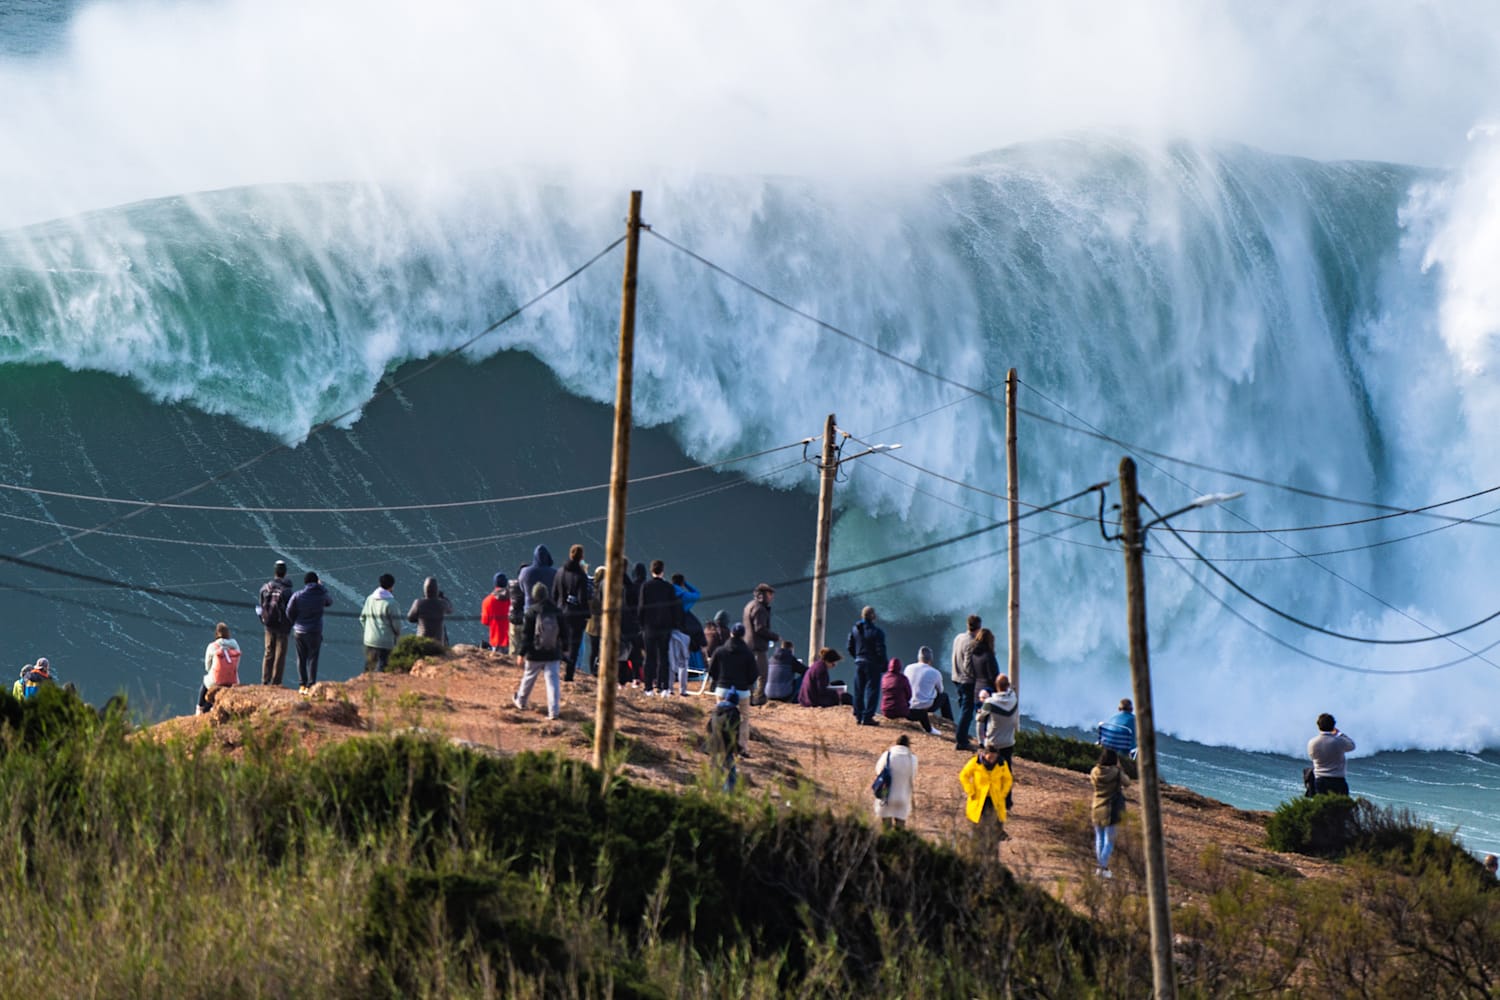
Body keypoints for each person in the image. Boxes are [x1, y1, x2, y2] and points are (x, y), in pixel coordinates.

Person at [707, 622, 758, 755]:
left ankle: (719, 745)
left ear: (731, 634)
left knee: (720, 716)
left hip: (722, 689)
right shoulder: (748, 653)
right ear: (743, 636)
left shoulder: (720, 650)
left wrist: (719, 680)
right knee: (744, 719)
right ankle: (742, 747)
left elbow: (711, 670)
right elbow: (754, 674)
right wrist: (746, 683)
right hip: (742, 690)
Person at [515, 583, 563, 720]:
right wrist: (564, 649)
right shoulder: (556, 611)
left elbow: (527, 636)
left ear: (535, 596)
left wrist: (521, 653)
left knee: (529, 677)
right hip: (553, 652)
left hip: (534, 653)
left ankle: (521, 701)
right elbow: (564, 632)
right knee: (552, 682)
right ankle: (554, 712)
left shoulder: (531, 612)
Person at [959, 744, 1013, 862]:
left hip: (995, 799)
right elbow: (964, 775)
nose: (992, 759)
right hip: (979, 799)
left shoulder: (1001, 764)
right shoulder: (975, 762)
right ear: (984, 754)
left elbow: (1008, 779)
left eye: (994, 757)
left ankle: (992, 855)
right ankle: (975, 853)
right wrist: (970, 790)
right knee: (978, 827)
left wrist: (1003, 793)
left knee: (995, 827)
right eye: (990, 757)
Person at [638, 559, 683, 696]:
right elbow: (674, 608)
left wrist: (641, 625)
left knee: (649, 657)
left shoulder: (645, 586)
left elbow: (641, 608)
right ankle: (664, 688)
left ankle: (648, 687)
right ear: (663, 571)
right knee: (664, 657)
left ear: (652, 571)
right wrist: (675, 624)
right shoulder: (669, 587)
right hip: (665, 628)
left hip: (649, 627)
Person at [976, 674, 1020, 809]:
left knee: (988, 773)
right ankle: (1007, 802)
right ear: (1007, 686)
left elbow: (980, 719)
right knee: (1007, 773)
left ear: (996, 686)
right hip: (1008, 742)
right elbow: (1011, 691)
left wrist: (981, 709)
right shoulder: (1013, 699)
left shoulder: (990, 703)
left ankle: (988, 803)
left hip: (993, 743)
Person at [552, 544, 593, 682]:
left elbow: (554, 594)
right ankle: (569, 675)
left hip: (560, 612)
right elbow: (582, 599)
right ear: (581, 557)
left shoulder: (559, 572)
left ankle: (554, 670)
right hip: (575, 616)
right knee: (574, 646)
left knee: (559, 642)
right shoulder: (581, 575)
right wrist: (587, 614)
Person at [286, 571, 332, 694]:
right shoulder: (321, 595)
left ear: (305, 582)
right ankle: (311, 685)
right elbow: (329, 602)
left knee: (301, 658)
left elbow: (288, 612)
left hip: (299, 631)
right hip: (315, 631)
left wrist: (295, 622)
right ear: (316, 582)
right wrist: (322, 587)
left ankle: (302, 685)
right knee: (312, 658)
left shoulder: (297, 595)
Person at [1089, 748, 1130, 878]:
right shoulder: (1116, 773)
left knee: (1099, 838)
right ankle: (1103, 867)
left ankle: (1100, 868)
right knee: (1110, 840)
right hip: (1111, 809)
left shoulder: (1094, 771)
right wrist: (1120, 769)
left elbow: (1092, 782)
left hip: (1096, 807)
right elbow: (1127, 783)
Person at [847, 605, 888, 726]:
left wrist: (857, 657)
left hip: (859, 662)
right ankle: (868, 717)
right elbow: (881, 650)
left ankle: (859, 716)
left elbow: (849, 646)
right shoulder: (877, 632)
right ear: (873, 616)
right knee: (872, 690)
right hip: (872, 664)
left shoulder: (855, 629)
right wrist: (884, 664)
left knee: (859, 689)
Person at [256, 559, 294, 686]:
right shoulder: (288, 591)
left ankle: (264, 680)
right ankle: (276, 682)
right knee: (280, 654)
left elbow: (261, 607)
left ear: (275, 572)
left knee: (268, 652)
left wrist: (264, 620)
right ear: (285, 573)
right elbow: (291, 610)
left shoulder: (265, 588)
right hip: (283, 627)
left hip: (269, 625)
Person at [743, 583, 779, 705]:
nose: (772, 597)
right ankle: (759, 698)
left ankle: (747, 697)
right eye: (770, 594)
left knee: (748, 673)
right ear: (762, 595)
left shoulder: (749, 605)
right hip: (757, 647)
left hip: (747, 645)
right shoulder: (760, 609)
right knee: (762, 674)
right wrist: (775, 637)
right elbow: (760, 629)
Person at [951, 614, 982, 751]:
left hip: (956, 677)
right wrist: (977, 677)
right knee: (967, 711)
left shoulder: (959, 637)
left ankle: (961, 734)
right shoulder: (972, 642)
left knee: (964, 708)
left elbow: (955, 657)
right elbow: (968, 666)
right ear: (979, 627)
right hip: (966, 681)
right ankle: (961, 741)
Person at [904, 647, 952, 735]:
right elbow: (941, 691)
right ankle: (949, 722)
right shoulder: (935, 672)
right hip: (924, 707)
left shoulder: (908, 668)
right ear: (931, 659)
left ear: (919, 657)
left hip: (907, 706)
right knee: (944, 696)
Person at [874, 734, 918, 829]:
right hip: (903, 796)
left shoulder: (887, 755)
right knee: (900, 825)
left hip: (887, 794)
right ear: (908, 745)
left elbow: (878, 771)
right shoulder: (913, 759)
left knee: (886, 825)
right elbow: (913, 775)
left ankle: (886, 840)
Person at [360, 574, 402, 672]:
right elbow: (397, 625)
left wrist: (368, 632)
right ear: (392, 586)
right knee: (383, 668)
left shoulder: (369, 599)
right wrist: (397, 635)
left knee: (369, 668)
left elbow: (362, 618)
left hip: (370, 640)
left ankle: (365, 686)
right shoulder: (392, 603)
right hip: (385, 642)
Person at [198, 622, 241, 715]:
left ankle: (200, 707)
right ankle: (210, 707)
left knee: (206, 683)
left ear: (216, 634)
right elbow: (236, 664)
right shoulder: (235, 645)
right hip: (232, 681)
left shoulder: (212, 646)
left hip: (216, 680)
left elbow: (207, 667)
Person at [1307, 713, 1356, 796]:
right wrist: (1340, 733)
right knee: (1341, 808)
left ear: (1318, 725)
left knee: (1323, 807)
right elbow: (1352, 746)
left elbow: (1312, 757)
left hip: (1320, 780)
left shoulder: (1312, 742)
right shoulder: (1339, 741)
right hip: (1338, 780)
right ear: (1333, 725)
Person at [705, 689, 742, 791]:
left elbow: (708, 727)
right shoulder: (734, 712)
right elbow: (731, 731)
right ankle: (728, 795)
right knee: (731, 774)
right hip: (725, 746)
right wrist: (737, 748)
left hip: (713, 744)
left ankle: (712, 791)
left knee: (715, 770)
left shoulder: (716, 709)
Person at [407, 576, 453, 648]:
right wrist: (443, 597)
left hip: (421, 642)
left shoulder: (418, 603)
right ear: (436, 590)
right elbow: (451, 609)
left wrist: (420, 619)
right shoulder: (441, 603)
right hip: (438, 643)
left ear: (425, 590)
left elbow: (410, 618)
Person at [516, 545, 558, 611]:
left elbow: (522, 589)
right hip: (550, 610)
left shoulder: (524, 572)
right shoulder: (555, 572)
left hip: (529, 609)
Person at [480, 573, 511, 655]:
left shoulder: (487, 601)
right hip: (512, 639)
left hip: (496, 640)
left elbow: (485, 622)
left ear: (495, 584)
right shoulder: (514, 599)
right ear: (506, 583)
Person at [583, 565, 606, 676]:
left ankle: (592, 670)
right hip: (603, 623)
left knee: (593, 649)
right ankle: (600, 669)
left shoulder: (590, 588)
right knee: (602, 649)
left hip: (591, 623)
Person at [880, 656, 912, 722]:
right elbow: (909, 695)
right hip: (901, 711)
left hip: (886, 711)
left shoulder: (884, 678)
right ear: (899, 667)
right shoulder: (903, 678)